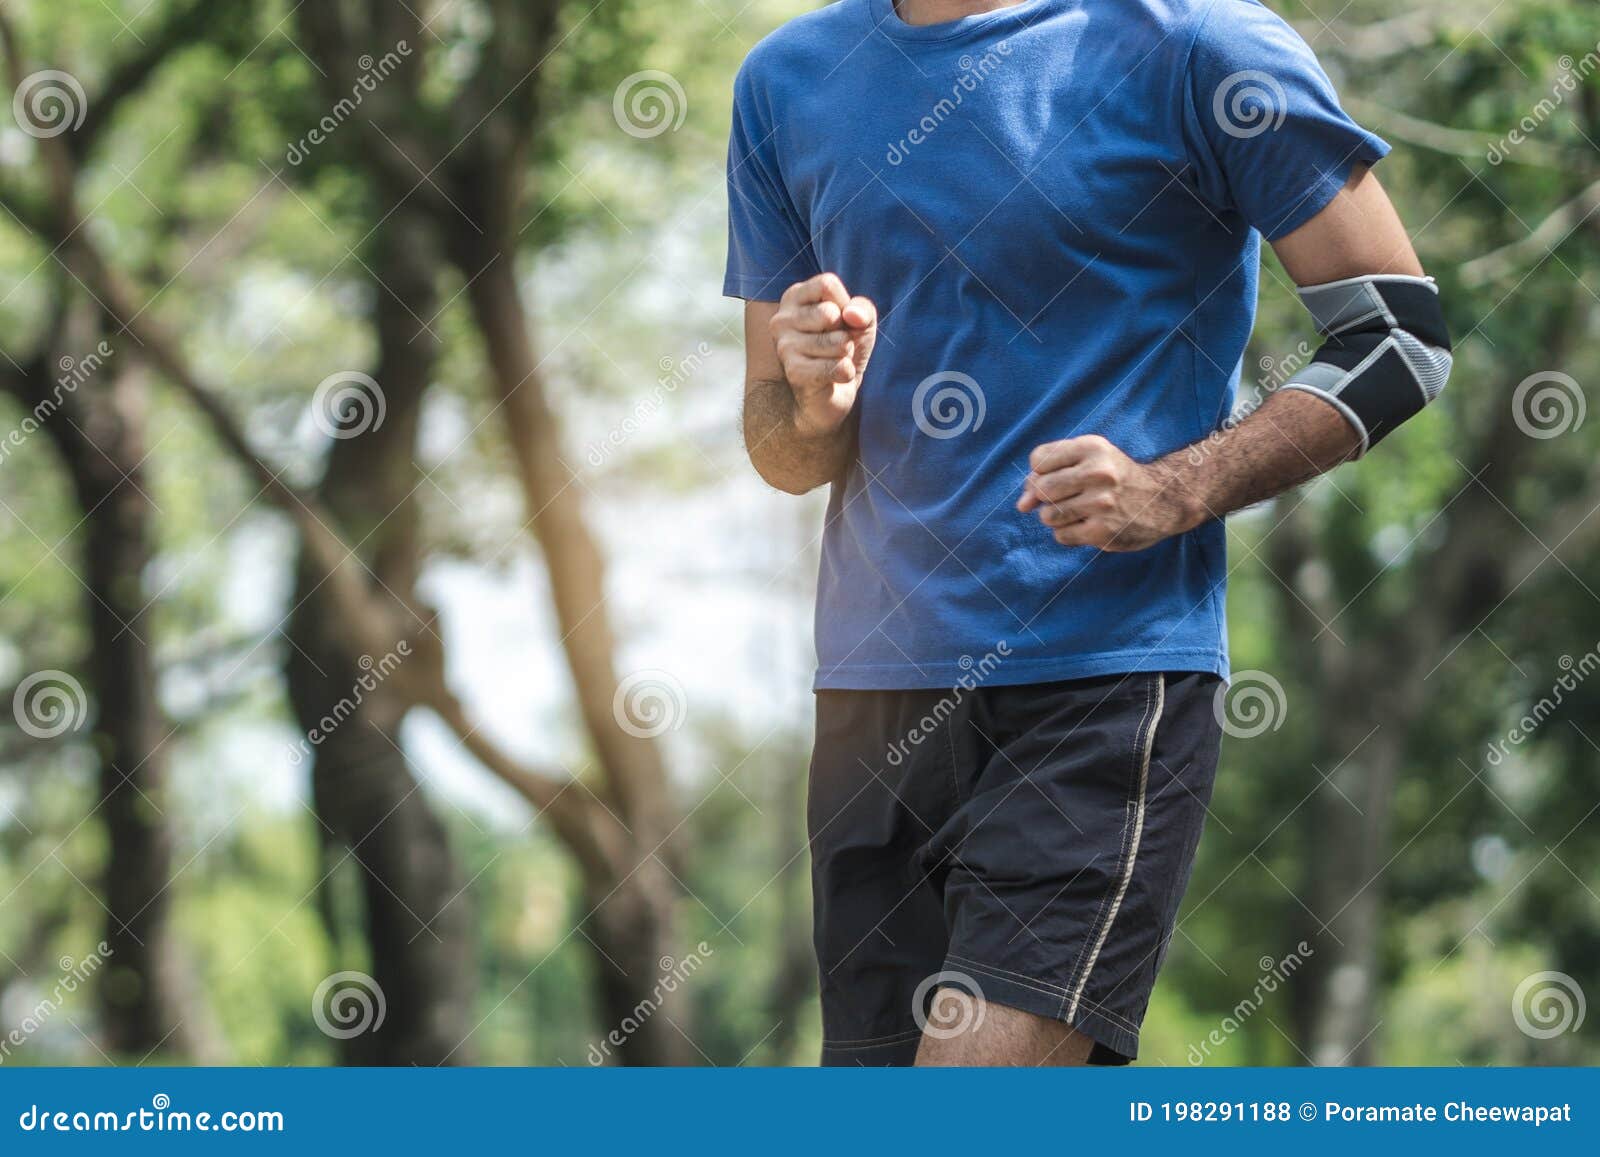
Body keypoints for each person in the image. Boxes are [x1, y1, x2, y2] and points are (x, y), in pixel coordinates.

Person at [726, 0, 1452, 1066]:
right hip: (870, 696)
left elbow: (1400, 334)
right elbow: (781, 452)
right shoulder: (784, 79)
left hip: (1102, 686)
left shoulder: (1196, 46)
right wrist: (814, 398)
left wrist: (1177, 488)